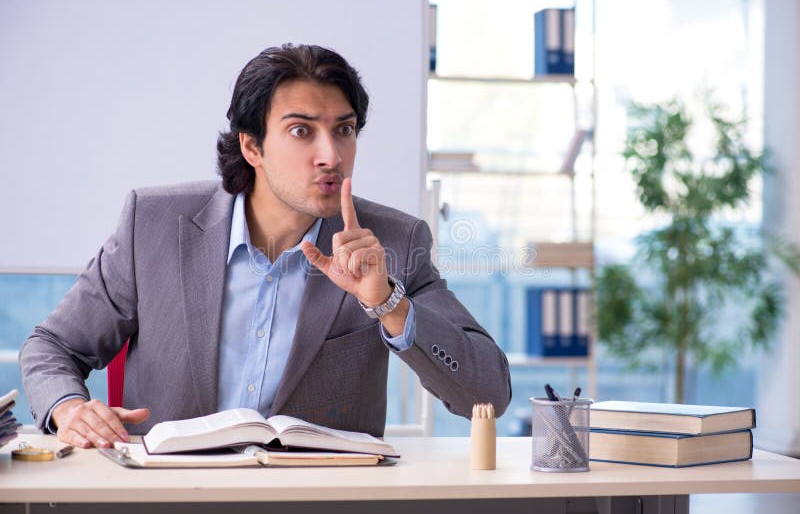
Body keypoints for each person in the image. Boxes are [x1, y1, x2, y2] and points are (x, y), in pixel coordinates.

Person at [20, 44, 511, 448]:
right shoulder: (152, 225)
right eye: (302, 131)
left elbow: (485, 393)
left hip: (317, 504)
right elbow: (53, 347)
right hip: (168, 496)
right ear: (252, 146)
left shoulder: (394, 243)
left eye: (344, 130)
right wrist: (68, 408)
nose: (331, 154)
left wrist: (386, 303)